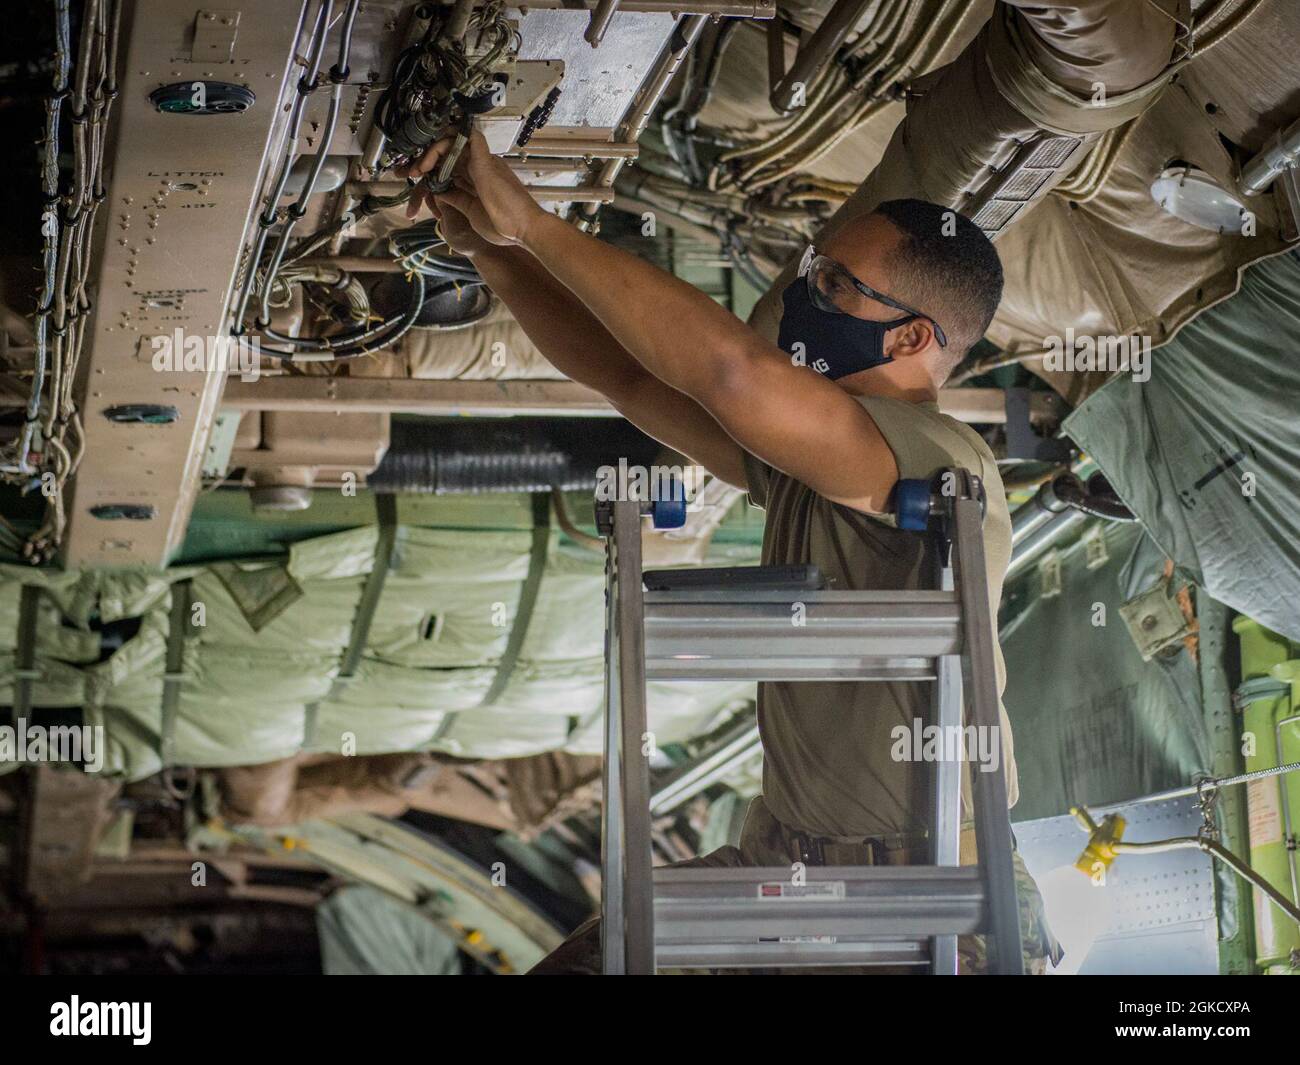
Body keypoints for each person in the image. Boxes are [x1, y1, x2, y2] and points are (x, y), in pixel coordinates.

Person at [402, 132, 1061, 974]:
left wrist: (532, 221)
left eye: (834, 285)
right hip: (793, 871)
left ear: (909, 338)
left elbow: (733, 375)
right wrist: (490, 252)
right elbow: (632, 379)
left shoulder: (937, 453)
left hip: (932, 899)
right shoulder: (816, 463)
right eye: (812, 272)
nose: (803, 297)